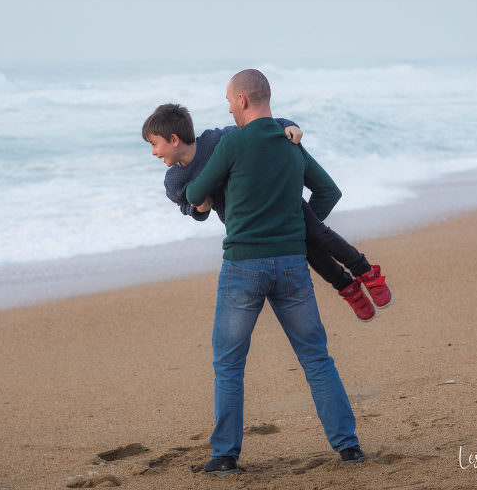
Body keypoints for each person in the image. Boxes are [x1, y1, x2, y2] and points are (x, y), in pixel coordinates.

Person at [186, 69, 369, 475]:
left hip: (243, 268)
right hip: (291, 265)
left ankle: (225, 456)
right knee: (316, 359)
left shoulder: (233, 143)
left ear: (242, 100)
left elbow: (194, 193)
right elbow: (328, 191)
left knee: (229, 364)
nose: (229, 109)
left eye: (229, 101)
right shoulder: (290, 143)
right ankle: (349, 448)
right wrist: (297, 229)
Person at [143, 105, 392, 321]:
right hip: (247, 224)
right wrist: (197, 209)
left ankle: (365, 270)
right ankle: (347, 287)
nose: (153, 152)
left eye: (154, 144)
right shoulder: (174, 180)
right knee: (308, 248)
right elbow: (186, 206)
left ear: (174, 139)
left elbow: (260, 127)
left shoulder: (217, 140)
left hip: (277, 198)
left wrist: (289, 125)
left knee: (318, 235)